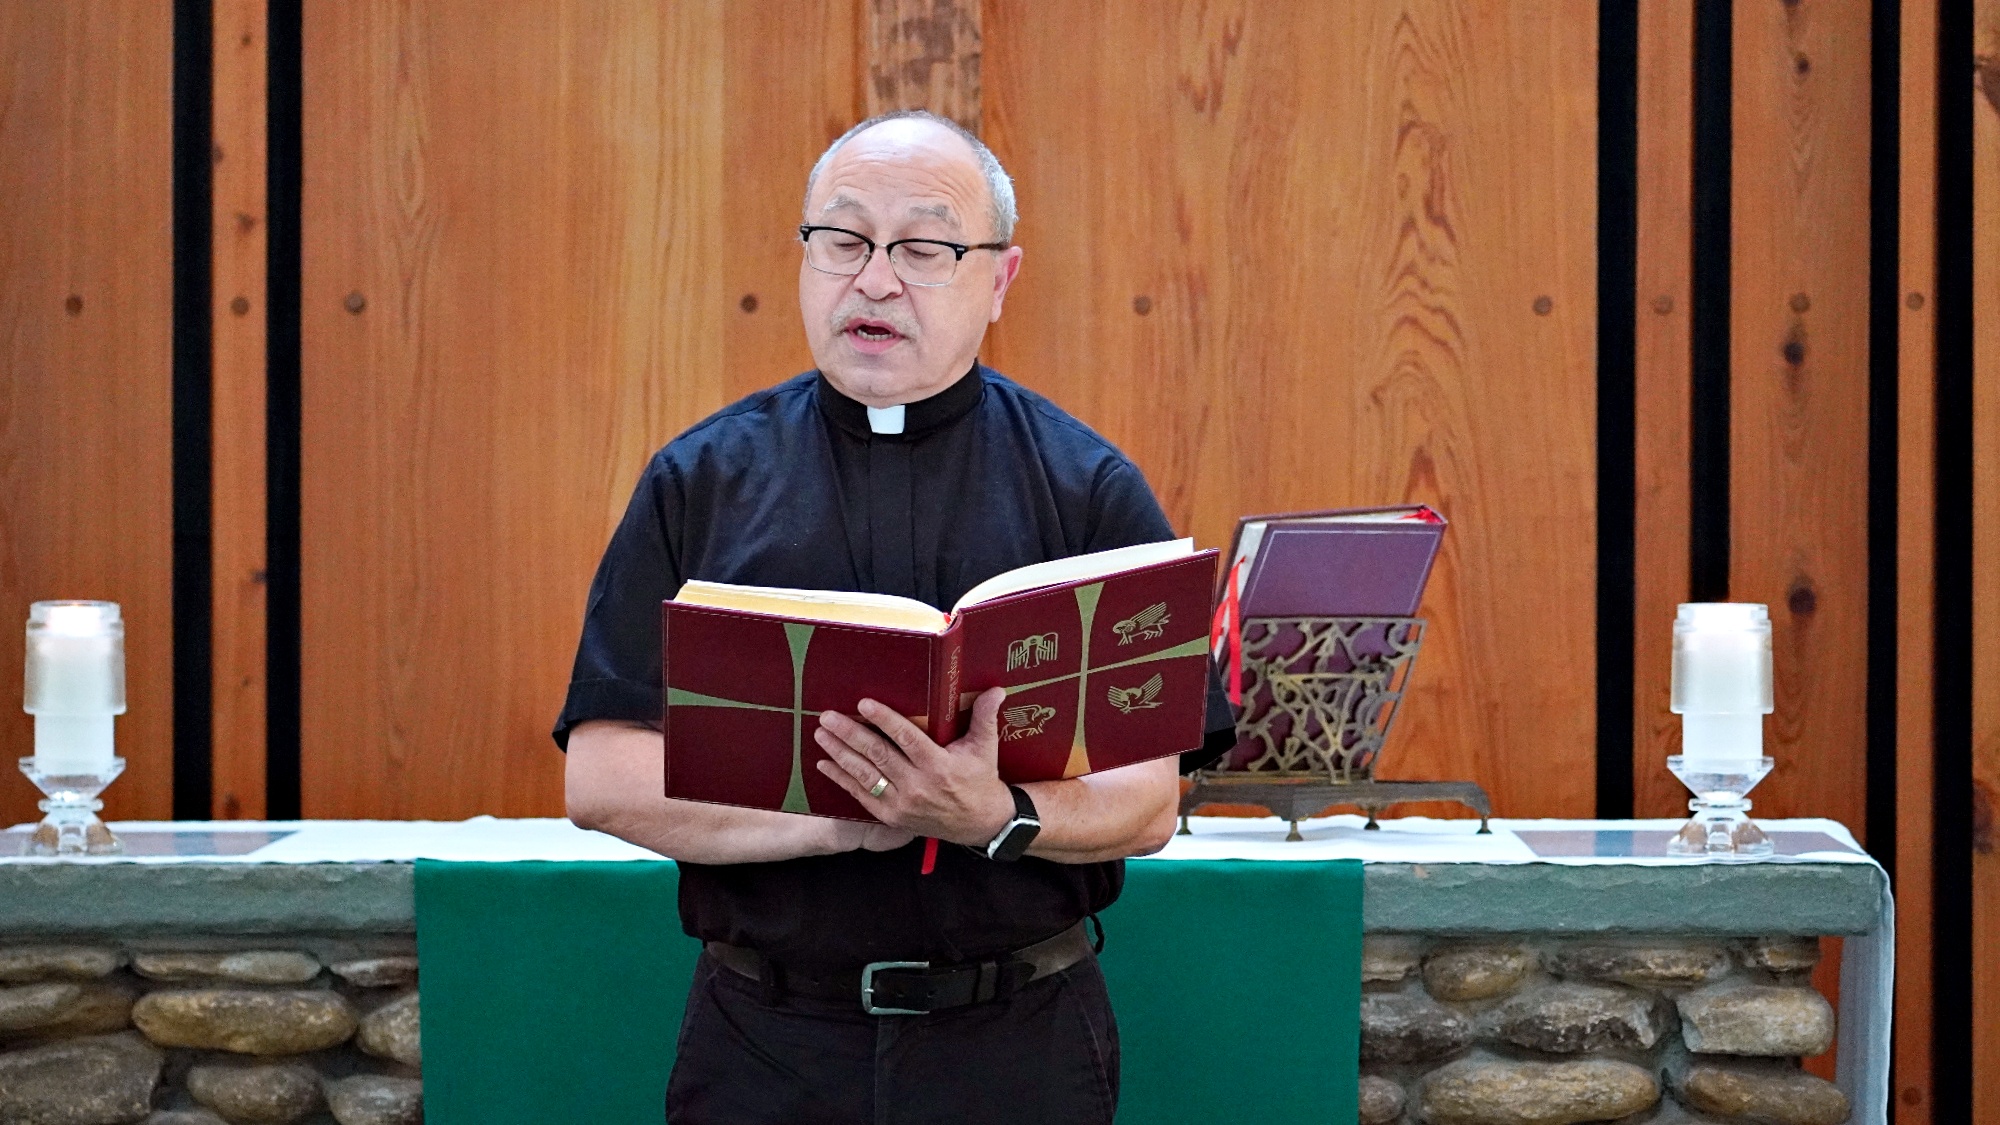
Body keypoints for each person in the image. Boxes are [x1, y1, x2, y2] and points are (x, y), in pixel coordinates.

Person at [557, 109, 1233, 1125]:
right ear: (804, 258)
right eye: (843, 241)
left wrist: (989, 818)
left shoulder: (1087, 490)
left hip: (1017, 1045)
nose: (873, 279)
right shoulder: (698, 481)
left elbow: (1146, 805)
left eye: (922, 247)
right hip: (766, 1045)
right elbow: (602, 780)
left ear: (998, 279)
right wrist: (847, 819)